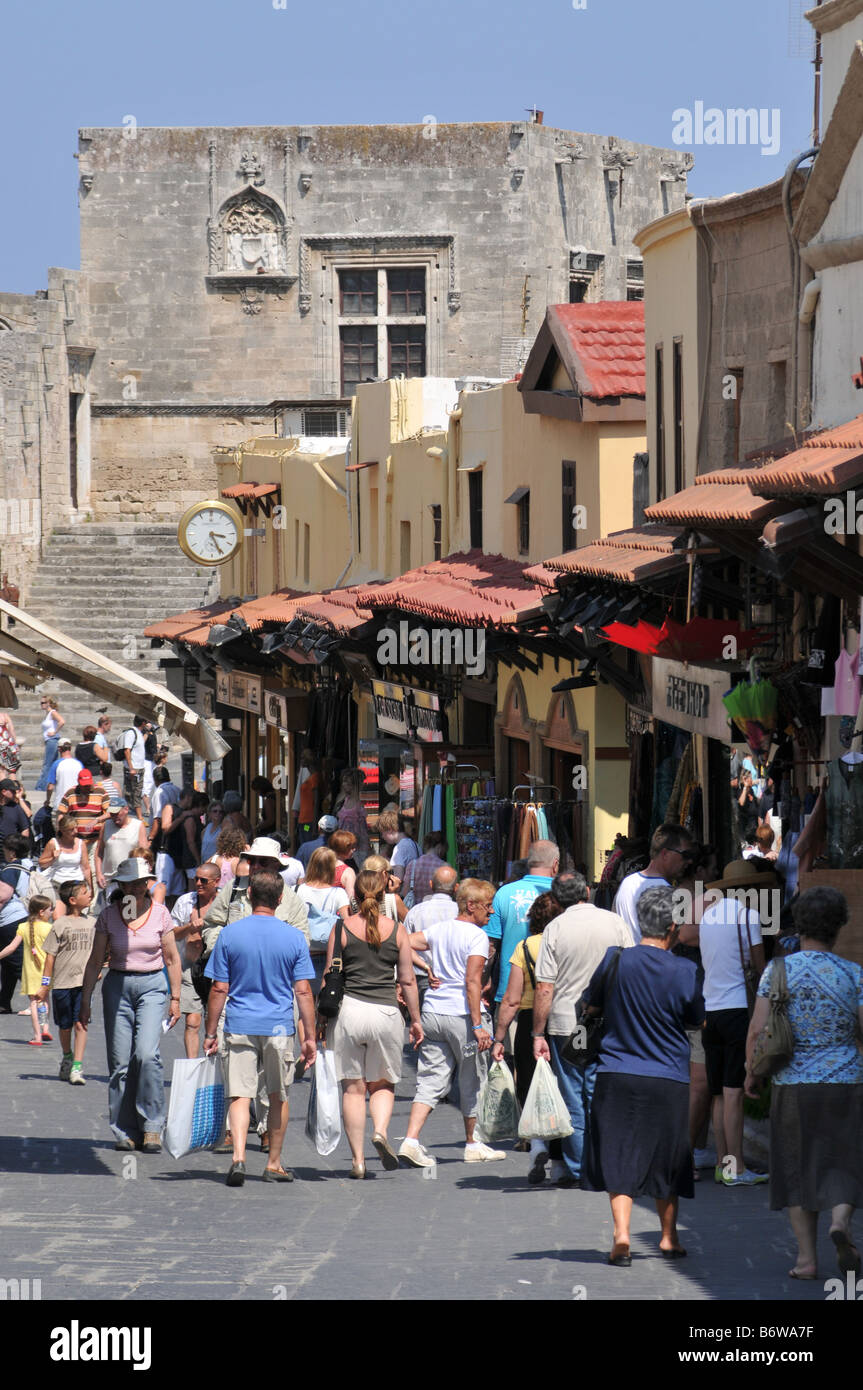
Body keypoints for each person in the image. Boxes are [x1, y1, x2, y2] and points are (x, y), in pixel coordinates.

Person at [582, 885, 705, 1265]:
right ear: (672, 927)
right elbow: (697, 1018)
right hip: (667, 1075)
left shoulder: (615, 960)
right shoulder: (686, 969)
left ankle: (621, 1236)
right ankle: (668, 1238)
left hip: (616, 1071)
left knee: (619, 1152)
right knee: (667, 1155)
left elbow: (591, 1003)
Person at [745, 886, 863, 1280]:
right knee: (845, 1161)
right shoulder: (854, 973)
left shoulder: (777, 971)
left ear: (799, 925)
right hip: (846, 1082)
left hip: (793, 1084)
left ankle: (806, 1260)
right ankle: (841, 1223)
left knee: (796, 1170)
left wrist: (751, 1074)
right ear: (839, 927)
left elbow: (759, 1030)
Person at [204, 871, 317, 1186]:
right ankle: (273, 1163)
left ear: (249, 895)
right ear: (280, 899)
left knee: (239, 1095)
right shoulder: (293, 937)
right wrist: (310, 1036)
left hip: (239, 1023)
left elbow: (218, 988)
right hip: (279, 1027)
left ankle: (238, 1156)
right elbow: (304, 991)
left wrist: (211, 1032)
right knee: (277, 1094)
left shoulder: (230, 934)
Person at [531, 871, 634, 1186]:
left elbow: (545, 988)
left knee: (573, 1096)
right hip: (609, 1020)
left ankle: (579, 1168)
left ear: (558, 899)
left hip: (567, 1024)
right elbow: (630, 967)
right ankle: (605, 1163)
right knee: (601, 1092)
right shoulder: (613, 922)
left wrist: (537, 1033)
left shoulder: (555, 929)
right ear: (587, 892)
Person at [321, 869, 422, 1178]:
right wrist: (416, 1020)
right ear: (383, 896)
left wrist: (319, 1022)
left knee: (352, 1089)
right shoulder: (397, 930)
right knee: (382, 1083)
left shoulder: (341, 928)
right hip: (385, 1013)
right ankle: (380, 1131)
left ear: (356, 896)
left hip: (348, 1012)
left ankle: (358, 1161)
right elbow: (407, 980)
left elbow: (329, 975)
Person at [79, 857, 182, 1152]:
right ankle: (124, 1128)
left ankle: (151, 1125)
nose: (137, 888)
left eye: (142, 882)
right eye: (132, 883)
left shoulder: (161, 914)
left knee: (147, 1055)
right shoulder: (109, 916)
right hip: (117, 987)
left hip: (152, 986)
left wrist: (175, 998)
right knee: (120, 1063)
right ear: (121, 885)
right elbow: (95, 961)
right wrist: (85, 1000)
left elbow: (173, 958)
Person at [399, 878, 504, 1168]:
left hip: (434, 1013)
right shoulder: (476, 937)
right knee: (472, 1079)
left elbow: (403, 942)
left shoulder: (439, 930)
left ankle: (410, 1139)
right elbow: (472, 982)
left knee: (431, 1079)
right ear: (471, 905)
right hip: (462, 1016)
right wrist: (478, 1025)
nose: (491, 912)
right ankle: (473, 1143)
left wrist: (425, 966)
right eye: (488, 906)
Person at [698, 859, 770, 1186]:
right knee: (734, 1093)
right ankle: (736, 1167)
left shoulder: (708, 917)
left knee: (717, 1094)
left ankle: (721, 1163)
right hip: (737, 1010)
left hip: (710, 1012)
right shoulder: (748, 916)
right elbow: (760, 967)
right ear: (749, 888)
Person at [492, 890, 565, 1179]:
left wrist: (498, 1037)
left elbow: (510, 999)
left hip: (527, 1022)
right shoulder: (563, 943)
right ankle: (560, 1164)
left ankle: (536, 1145)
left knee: (530, 1086)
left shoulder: (523, 947)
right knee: (558, 1089)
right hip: (559, 1021)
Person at [486, 839, 560, 1010]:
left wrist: (486, 979)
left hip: (510, 991)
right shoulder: (563, 894)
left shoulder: (504, 892)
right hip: (553, 991)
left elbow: (491, 945)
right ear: (555, 864)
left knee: (508, 1035)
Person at [36, 880, 96, 1083]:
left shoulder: (93, 923)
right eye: (85, 892)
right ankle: (67, 1056)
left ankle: (77, 1067)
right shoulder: (60, 923)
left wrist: (99, 968)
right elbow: (50, 957)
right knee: (65, 1026)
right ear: (72, 900)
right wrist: (45, 985)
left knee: (81, 1023)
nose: (89, 895)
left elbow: (100, 950)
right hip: (62, 983)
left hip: (83, 984)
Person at [613, 823, 695, 944]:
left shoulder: (628, 882)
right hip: (655, 961)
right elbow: (685, 936)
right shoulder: (667, 894)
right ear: (665, 854)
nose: (689, 861)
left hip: (630, 959)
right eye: (685, 855)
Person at [170, 862, 221, 1058]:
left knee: (214, 1020)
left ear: (216, 882)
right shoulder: (185, 902)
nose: (198, 883)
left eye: (203, 880)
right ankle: (192, 1065)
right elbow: (172, 934)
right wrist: (190, 928)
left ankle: (210, 1063)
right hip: (191, 967)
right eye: (196, 879)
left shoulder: (225, 903)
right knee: (192, 1020)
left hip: (217, 970)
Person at [0, 894, 55, 1044]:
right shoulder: (50, 928)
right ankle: (45, 1028)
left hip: (31, 972)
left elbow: (11, 948)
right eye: (51, 909)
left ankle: (37, 1035)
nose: (52, 912)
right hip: (47, 971)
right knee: (44, 1000)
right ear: (42, 912)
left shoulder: (23, 927)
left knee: (34, 1002)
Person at [297, 847, 351, 995]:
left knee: (304, 1001)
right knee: (325, 1002)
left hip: (304, 953)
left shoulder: (300, 890)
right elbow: (347, 922)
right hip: (328, 955)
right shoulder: (338, 893)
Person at [93, 799, 149, 908]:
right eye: (112, 814)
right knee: (110, 915)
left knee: (129, 915)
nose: (114, 817)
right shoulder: (106, 825)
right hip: (110, 880)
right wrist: (99, 873)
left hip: (130, 882)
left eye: (117, 813)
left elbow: (144, 854)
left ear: (126, 809)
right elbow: (99, 852)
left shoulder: (137, 825)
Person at [56, 770, 109, 875]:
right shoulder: (71, 793)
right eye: (84, 785)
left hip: (95, 840)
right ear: (78, 782)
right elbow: (61, 813)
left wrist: (97, 820)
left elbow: (110, 812)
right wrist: (61, 833)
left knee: (93, 871)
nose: (86, 788)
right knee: (80, 870)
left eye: (88, 785)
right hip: (76, 841)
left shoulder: (101, 792)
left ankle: (94, 891)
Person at [0, 833, 30, 1012]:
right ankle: (3, 1002)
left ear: (11, 851)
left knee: (17, 962)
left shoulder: (10, 868)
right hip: (26, 915)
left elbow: (3, 897)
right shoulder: (29, 865)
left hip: (11, 919)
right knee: (9, 963)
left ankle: (37, 1001)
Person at [38, 812, 92, 905]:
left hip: (77, 885)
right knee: (58, 917)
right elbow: (41, 863)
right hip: (58, 885)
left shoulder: (80, 843)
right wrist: (52, 858)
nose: (75, 831)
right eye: (71, 829)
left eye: (76, 828)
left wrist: (91, 887)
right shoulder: (53, 843)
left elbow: (86, 868)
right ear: (62, 831)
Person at [149, 766, 182, 894]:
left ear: (155, 780)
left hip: (163, 841)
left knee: (163, 886)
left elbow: (157, 819)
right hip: (177, 839)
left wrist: (150, 838)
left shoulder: (159, 793)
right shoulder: (177, 790)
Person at [403, 832, 451, 907]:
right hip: (436, 911)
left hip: (416, 912)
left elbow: (405, 892)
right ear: (440, 847)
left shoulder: (412, 865)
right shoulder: (444, 867)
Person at [334, 768, 369, 861]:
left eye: (347, 782)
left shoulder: (359, 804)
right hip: (344, 846)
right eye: (343, 781)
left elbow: (362, 829)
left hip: (357, 848)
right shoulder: (343, 800)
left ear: (353, 785)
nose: (343, 785)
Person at [293, 749, 322, 850]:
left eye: (303, 758)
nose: (301, 760)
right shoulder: (310, 777)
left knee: (307, 845)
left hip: (309, 821)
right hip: (303, 820)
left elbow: (316, 802)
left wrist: (314, 825)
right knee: (304, 844)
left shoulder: (315, 778)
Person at [35, 697, 64, 792]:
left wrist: (54, 732)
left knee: (47, 765)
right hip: (50, 741)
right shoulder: (48, 714)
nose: (42, 704)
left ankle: (40, 787)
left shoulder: (52, 712)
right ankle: (48, 786)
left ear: (48, 703)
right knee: (50, 765)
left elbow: (62, 721)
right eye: (41, 703)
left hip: (52, 740)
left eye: (43, 702)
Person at [120, 715, 148, 814]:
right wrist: (131, 768)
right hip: (133, 768)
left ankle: (134, 815)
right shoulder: (131, 733)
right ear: (143, 723)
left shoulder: (139, 733)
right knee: (132, 793)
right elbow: (127, 750)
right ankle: (137, 816)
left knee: (137, 792)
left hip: (139, 767)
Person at [378, 810, 419, 877]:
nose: (382, 836)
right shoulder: (414, 844)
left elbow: (397, 879)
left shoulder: (399, 848)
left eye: (382, 832)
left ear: (390, 829)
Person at [47, 741, 85, 812]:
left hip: (61, 804)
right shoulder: (79, 764)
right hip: (76, 803)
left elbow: (50, 787)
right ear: (70, 748)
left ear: (59, 749)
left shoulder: (56, 764)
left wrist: (47, 800)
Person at [327, 829, 358, 902]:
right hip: (341, 912)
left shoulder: (322, 867)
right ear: (343, 848)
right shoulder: (348, 872)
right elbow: (351, 899)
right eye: (351, 847)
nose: (354, 849)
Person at [0, 777, 31, 851]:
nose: (15, 793)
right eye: (13, 791)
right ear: (4, 791)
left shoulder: (16, 808)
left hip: (10, 853)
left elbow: (25, 830)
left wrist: (21, 849)